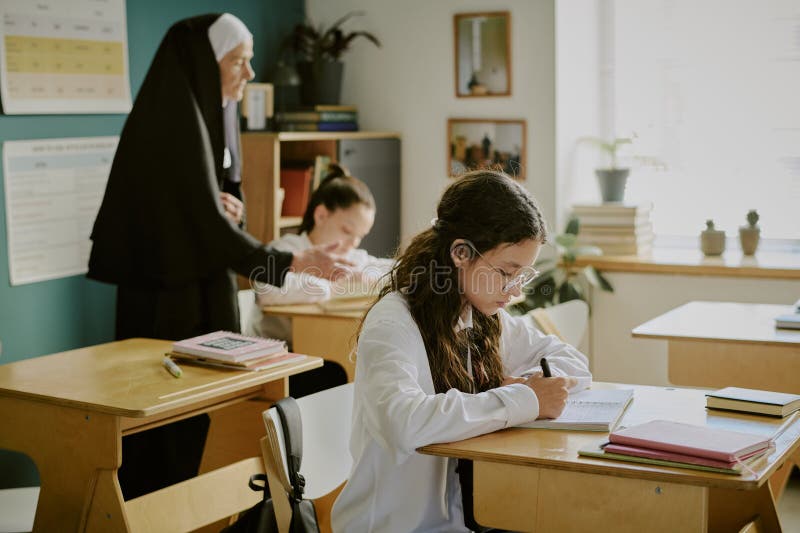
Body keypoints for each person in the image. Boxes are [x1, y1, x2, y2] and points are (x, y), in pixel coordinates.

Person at [86, 13, 351, 499]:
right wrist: (292, 263)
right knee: (166, 434)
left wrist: (227, 208)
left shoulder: (212, 112)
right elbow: (200, 224)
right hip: (166, 297)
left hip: (203, 286)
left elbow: (213, 211)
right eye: (238, 62)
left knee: (206, 425)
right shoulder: (171, 118)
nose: (249, 75)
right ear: (205, 65)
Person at [331, 170, 592, 532]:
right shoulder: (393, 323)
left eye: (523, 276)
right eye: (506, 272)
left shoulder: (482, 314)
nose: (515, 291)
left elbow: (572, 363)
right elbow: (403, 423)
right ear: (460, 253)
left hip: (463, 521)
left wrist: (533, 384)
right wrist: (521, 399)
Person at [247, 164, 394, 396]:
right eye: (347, 231)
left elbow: (388, 269)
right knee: (340, 377)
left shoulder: (349, 256)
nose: (353, 244)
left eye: (360, 237)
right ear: (321, 215)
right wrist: (336, 284)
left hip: (319, 354)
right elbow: (267, 291)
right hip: (278, 360)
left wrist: (364, 277)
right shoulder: (286, 250)